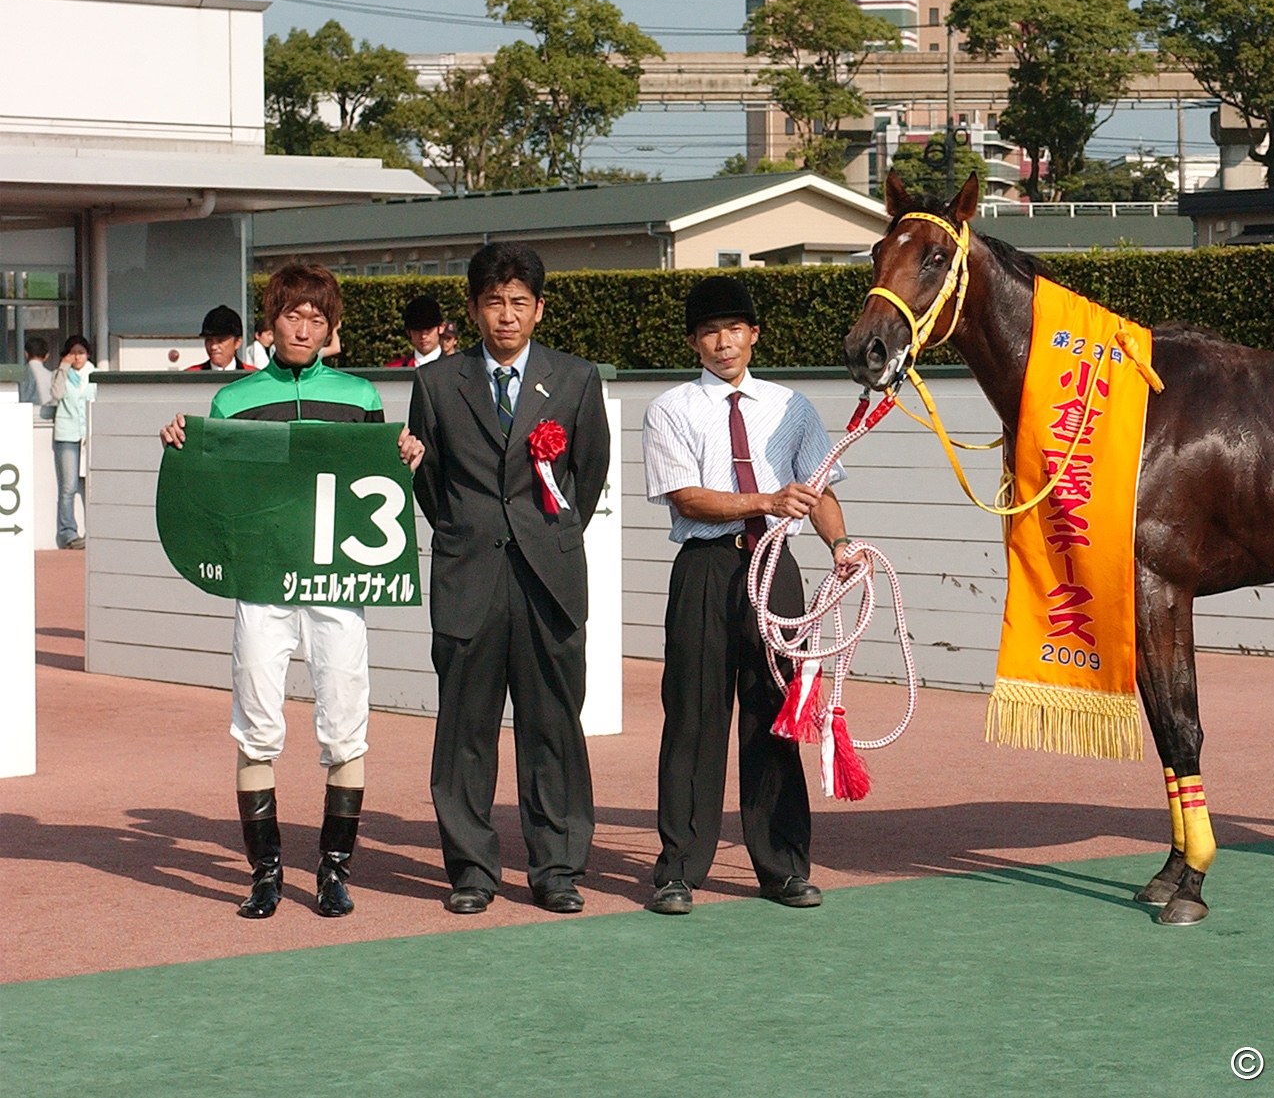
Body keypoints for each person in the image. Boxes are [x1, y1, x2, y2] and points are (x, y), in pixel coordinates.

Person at [157, 265, 425, 919]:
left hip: (338, 584)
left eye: (316, 318)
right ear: (270, 322)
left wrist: (408, 454)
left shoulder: (361, 395)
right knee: (255, 723)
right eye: (291, 316)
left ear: (331, 327)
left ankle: (334, 871)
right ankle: (266, 873)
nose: (303, 328)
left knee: (345, 723)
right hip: (263, 582)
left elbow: (378, 487)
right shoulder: (232, 400)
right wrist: (184, 449)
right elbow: (215, 493)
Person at [639, 275, 864, 915]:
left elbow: (817, 488)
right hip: (706, 571)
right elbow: (686, 496)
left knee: (777, 714)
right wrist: (765, 499)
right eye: (709, 332)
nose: (722, 342)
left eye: (734, 329)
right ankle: (678, 870)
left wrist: (841, 546)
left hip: (778, 569)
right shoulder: (671, 409)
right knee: (693, 718)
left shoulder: (792, 406)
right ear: (694, 342)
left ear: (754, 334)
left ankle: (783, 867)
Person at [407, 242, 610, 916]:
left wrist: (541, 535)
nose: (506, 315)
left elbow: (588, 474)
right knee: (465, 729)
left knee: (553, 725)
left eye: (519, 301)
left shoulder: (576, 380)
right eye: (493, 301)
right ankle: (471, 868)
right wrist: (471, 532)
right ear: (472, 308)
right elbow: (430, 487)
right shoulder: (437, 384)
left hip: (548, 579)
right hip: (469, 577)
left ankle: (555, 866)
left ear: (539, 309)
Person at [49, 335, 98, 550]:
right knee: (68, 487)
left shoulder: (94, 374)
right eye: (73, 352)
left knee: (91, 486)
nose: (77, 357)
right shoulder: (61, 374)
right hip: (67, 435)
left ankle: (95, 531)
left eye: (81, 352)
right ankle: (68, 534)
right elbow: (56, 394)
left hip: (89, 435)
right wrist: (63, 368)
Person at [385, 296, 446, 368]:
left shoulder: (456, 369)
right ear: (408, 332)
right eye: (417, 330)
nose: (423, 336)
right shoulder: (393, 370)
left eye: (428, 329)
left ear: (441, 328)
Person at [187, 305, 250, 372]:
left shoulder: (253, 377)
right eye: (209, 340)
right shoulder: (190, 376)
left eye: (221, 340)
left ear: (237, 342)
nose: (213, 347)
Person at [18, 337, 54, 420]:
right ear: (47, 355)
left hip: (23, 417)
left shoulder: (19, 376)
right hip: (47, 417)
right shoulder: (52, 376)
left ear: (26, 354)